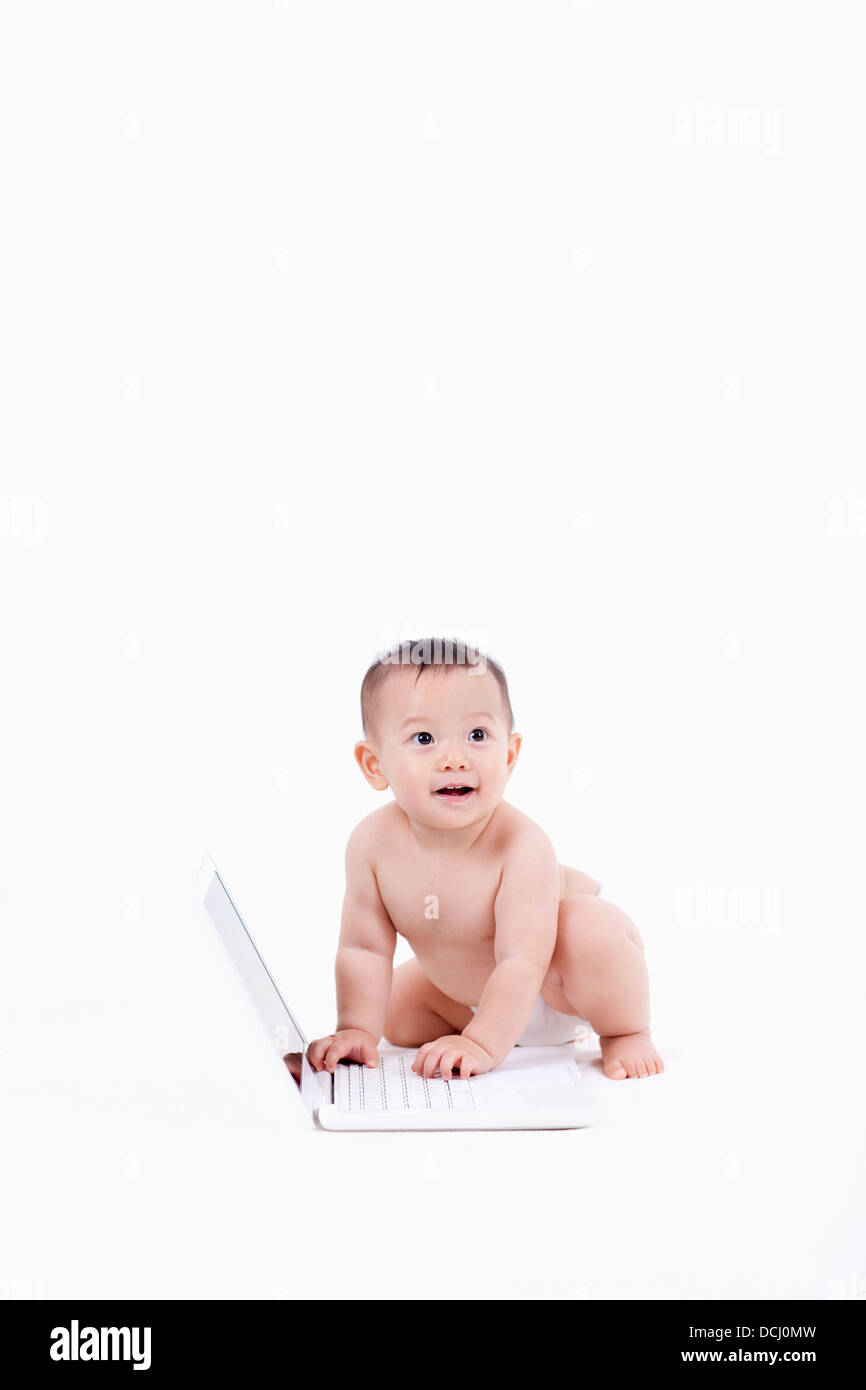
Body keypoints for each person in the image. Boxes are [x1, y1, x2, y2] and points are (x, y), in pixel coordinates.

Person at [307, 638, 663, 1082]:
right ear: (374, 764)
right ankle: (478, 1027)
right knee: (395, 1011)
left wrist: (480, 1043)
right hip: (473, 996)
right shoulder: (370, 845)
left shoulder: (522, 844)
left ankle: (627, 1031)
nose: (455, 759)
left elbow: (521, 961)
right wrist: (357, 1029)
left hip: (560, 990)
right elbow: (364, 948)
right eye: (424, 738)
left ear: (509, 755)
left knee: (592, 931)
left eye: (477, 735)